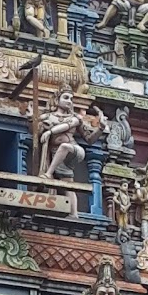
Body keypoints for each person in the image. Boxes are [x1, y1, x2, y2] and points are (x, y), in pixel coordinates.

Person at [38, 85, 106, 217]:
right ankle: (74, 214)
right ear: (57, 100)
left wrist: (101, 128)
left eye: (71, 99)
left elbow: (89, 139)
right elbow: (35, 130)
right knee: (68, 183)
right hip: (57, 156)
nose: (69, 101)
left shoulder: (76, 118)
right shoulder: (47, 116)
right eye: (66, 97)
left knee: (64, 146)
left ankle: (48, 173)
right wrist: (32, 119)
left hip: (74, 150)